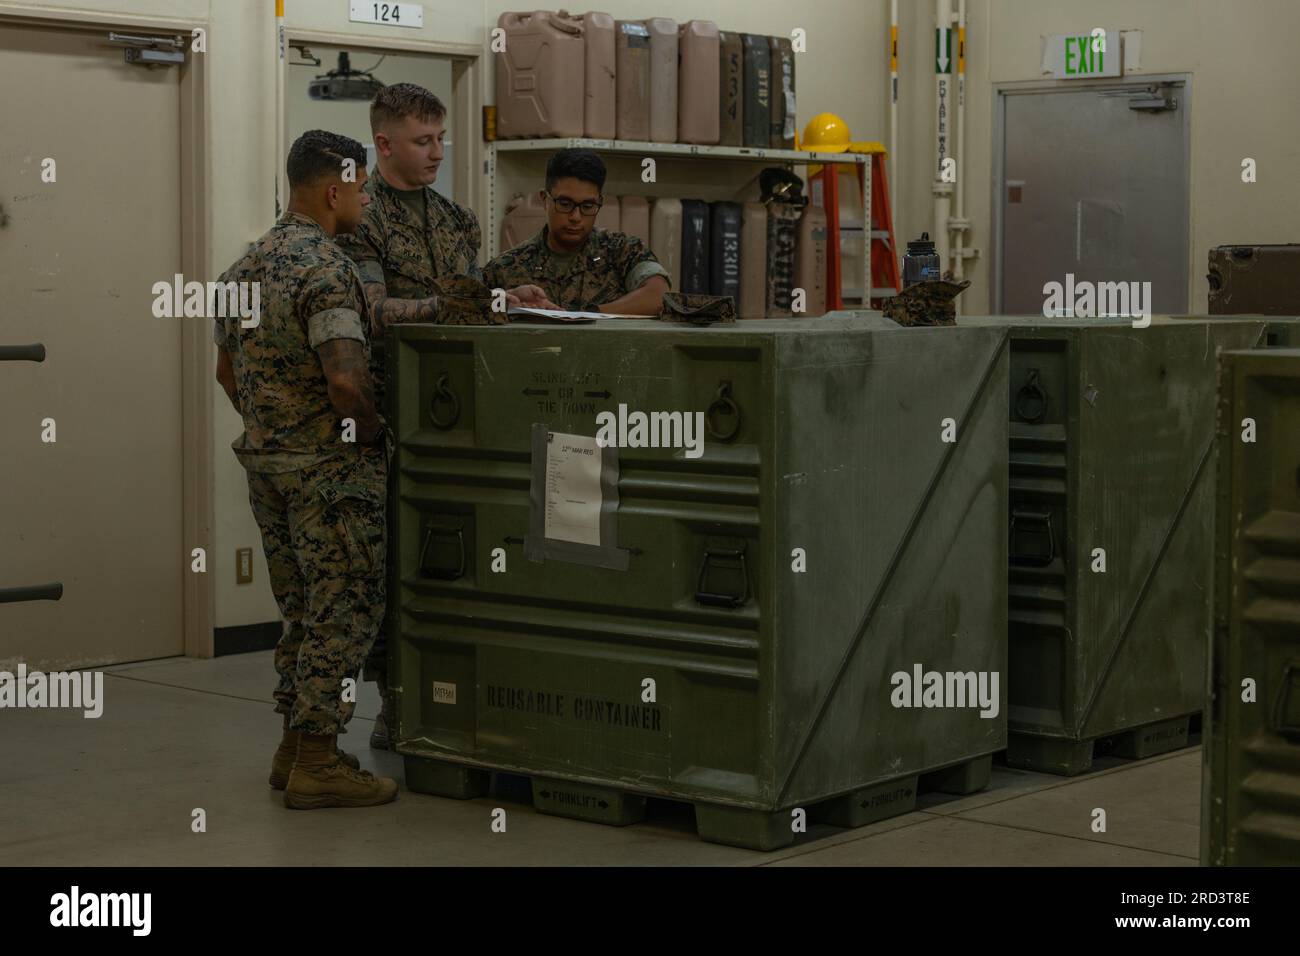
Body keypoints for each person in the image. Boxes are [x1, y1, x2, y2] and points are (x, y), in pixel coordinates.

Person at [339, 83, 551, 748]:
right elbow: (372, 311)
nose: (436, 152)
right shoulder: (358, 219)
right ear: (384, 144)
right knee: (386, 567)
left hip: (463, 418)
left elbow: (470, 293)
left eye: (440, 140)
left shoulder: (459, 218)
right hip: (386, 419)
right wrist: (457, 308)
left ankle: (458, 691)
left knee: (457, 557)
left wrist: (506, 296)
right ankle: (395, 701)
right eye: (422, 141)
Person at [214, 129, 397, 809]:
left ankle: (293, 747)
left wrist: (275, 427)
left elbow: (226, 373)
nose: (368, 199)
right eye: (362, 187)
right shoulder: (325, 267)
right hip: (329, 472)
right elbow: (347, 382)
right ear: (333, 189)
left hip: (269, 467)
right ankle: (319, 759)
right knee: (344, 609)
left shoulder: (245, 266)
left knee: (299, 610)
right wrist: (376, 436)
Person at [483, 149, 670, 315]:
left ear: (599, 202)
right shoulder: (505, 268)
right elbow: (470, 310)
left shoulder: (622, 251)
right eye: (565, 204)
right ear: (544, 200)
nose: (575, 217)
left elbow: (658, 295)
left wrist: (589, 315)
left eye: (587, 206)